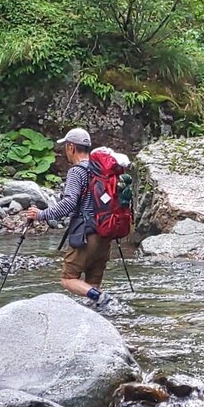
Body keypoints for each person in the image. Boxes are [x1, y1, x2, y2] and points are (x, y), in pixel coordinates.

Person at [31, 127, 116, 308]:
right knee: (92, 284)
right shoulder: (101, 170)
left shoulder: (77, 171)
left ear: (71, 147)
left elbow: (69, 204)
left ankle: (101, 298)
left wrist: (41, 215)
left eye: (66, 148)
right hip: (105, 233)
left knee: (68, 280)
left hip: (86, 235)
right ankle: (99, 306)